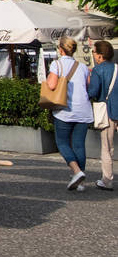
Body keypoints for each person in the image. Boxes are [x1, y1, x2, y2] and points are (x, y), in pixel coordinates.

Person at [46, 37, 92, 191]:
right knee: (79, 145)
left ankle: (77, 172)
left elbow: (51, 85)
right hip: (84, 110)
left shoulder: (57, 64)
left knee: (62, 143)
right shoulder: (83, 66)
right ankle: (80, 182)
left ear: (60, 49)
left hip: (64, 111)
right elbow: (88, 86)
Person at [86, 39, 118, 190]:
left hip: (108, 113)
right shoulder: (117, 68)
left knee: (107, 148)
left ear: (100, 56)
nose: (93, 55)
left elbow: (93, 92)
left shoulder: (97, 70)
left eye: (94, 52)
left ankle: (107, 181)